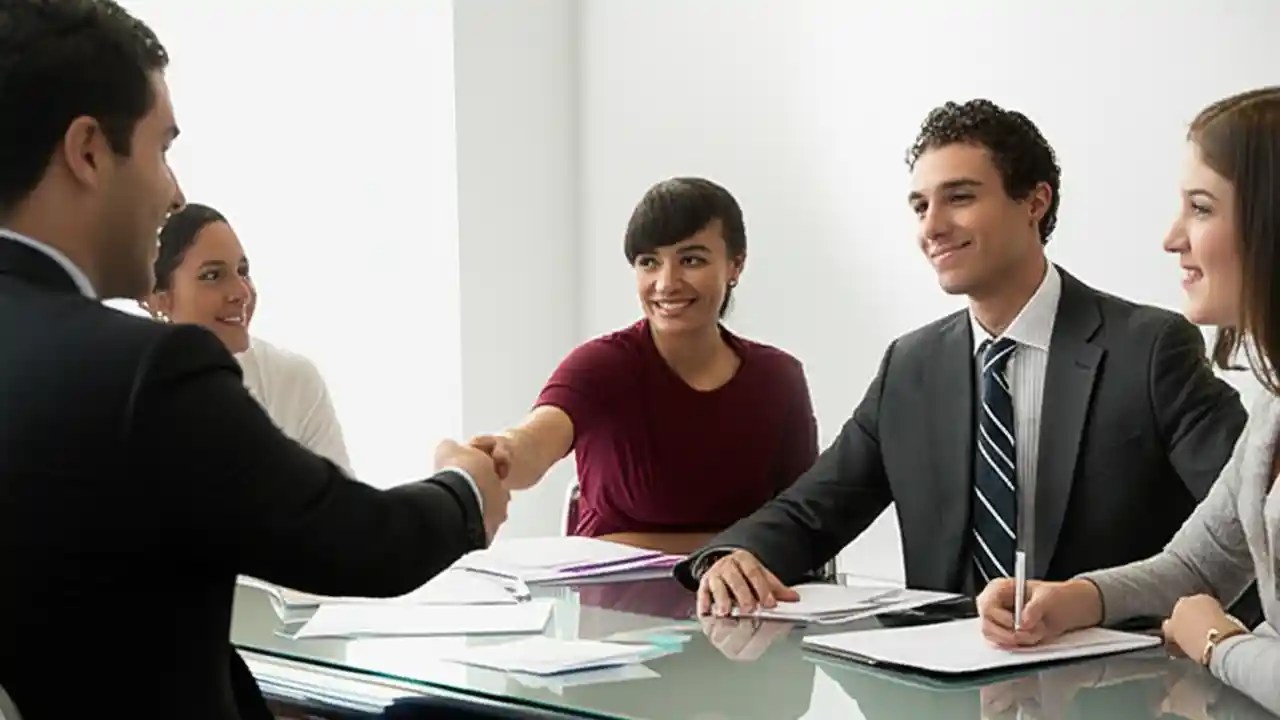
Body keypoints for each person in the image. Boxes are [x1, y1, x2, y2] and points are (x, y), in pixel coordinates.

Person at [0, 3, 508, 719]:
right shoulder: (144, 374)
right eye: (160, 148)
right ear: (87, 151)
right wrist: (468, 490)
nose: (172, 191)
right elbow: (360, 544)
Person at [679, 99, 1250, 621]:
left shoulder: (1150, 350)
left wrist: (1220, 661)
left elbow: (1253, 534)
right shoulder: (911, 366)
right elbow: (814, 509)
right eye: (920, 205)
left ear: (1034, 201)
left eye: (960, 197)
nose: (932, 226)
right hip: (947, 684)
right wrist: (734, 556)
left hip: (1113, 683)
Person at [977, 86, 1280, 717]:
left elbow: (1207, 618)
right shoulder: (1273, 409)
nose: (1172, 238)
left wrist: (1217, 642)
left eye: (1201, 208)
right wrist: (1072, 599)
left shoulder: (1150, 348)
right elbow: (1198, 562)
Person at [468, 177, 818, 555]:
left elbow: (806, 521)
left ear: (735, 265)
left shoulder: (778, 379)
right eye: (649, 262)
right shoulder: (600, 365)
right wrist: (503, 451)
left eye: (691, 260)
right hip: (614, 604)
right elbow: (534, 442)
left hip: (746, 605)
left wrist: (630, 544)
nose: (666, 283)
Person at [145, 202, 352, 473]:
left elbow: (342, 508)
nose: (241, 292)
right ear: (161, 300)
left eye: (243, 271)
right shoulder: (128, 397)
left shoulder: (292, 381)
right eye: (212, 276)